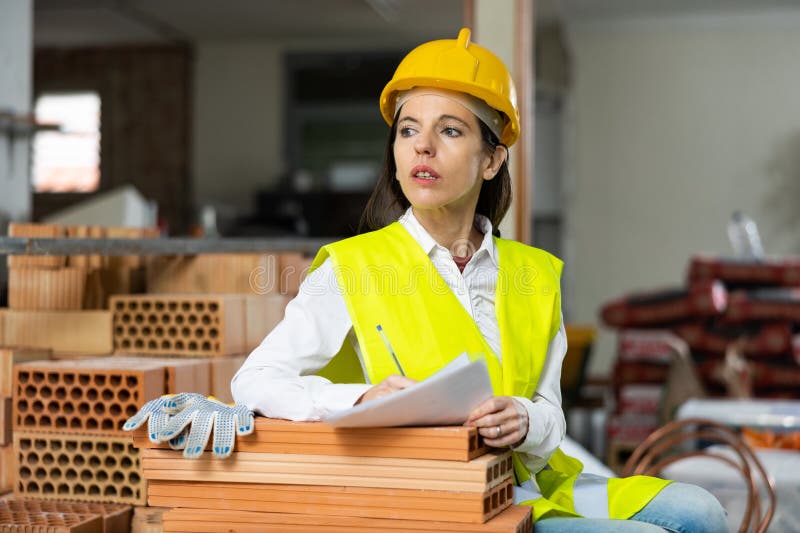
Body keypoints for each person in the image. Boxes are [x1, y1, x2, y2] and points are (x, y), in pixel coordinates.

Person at [132, 28, 729, 532]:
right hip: (443, 497)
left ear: (491, 160)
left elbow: (551, 411)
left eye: (450, 130)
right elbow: (254, 381)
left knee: (701, 510)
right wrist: (360, 397)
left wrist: (525, 416)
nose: (422, 145)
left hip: (529, 481)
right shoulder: (352, 268)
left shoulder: (533, 275)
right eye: (407, 129)